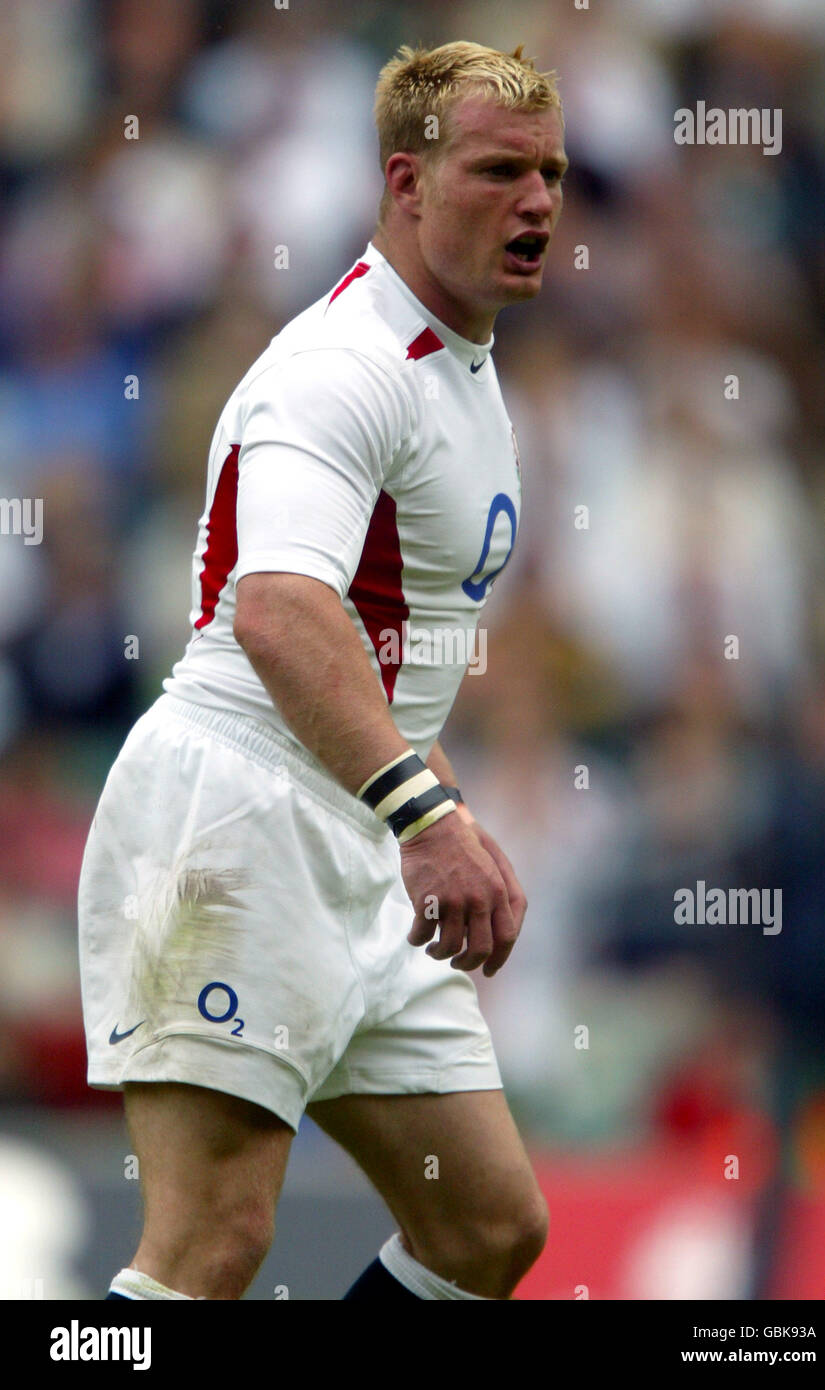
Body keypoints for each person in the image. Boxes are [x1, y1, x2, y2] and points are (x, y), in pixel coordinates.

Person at [78, 39, 568, 1301]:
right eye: (499, 169)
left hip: (359, 824)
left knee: (486, 1227)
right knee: (206, 1247)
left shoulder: (466, 372)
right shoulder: (338, 364)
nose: (537, 202)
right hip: (230, 820)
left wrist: (440, 801)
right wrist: (425, 813)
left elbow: (383, 648)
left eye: (552, 174)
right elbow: (280, 613)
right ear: (405, 182)